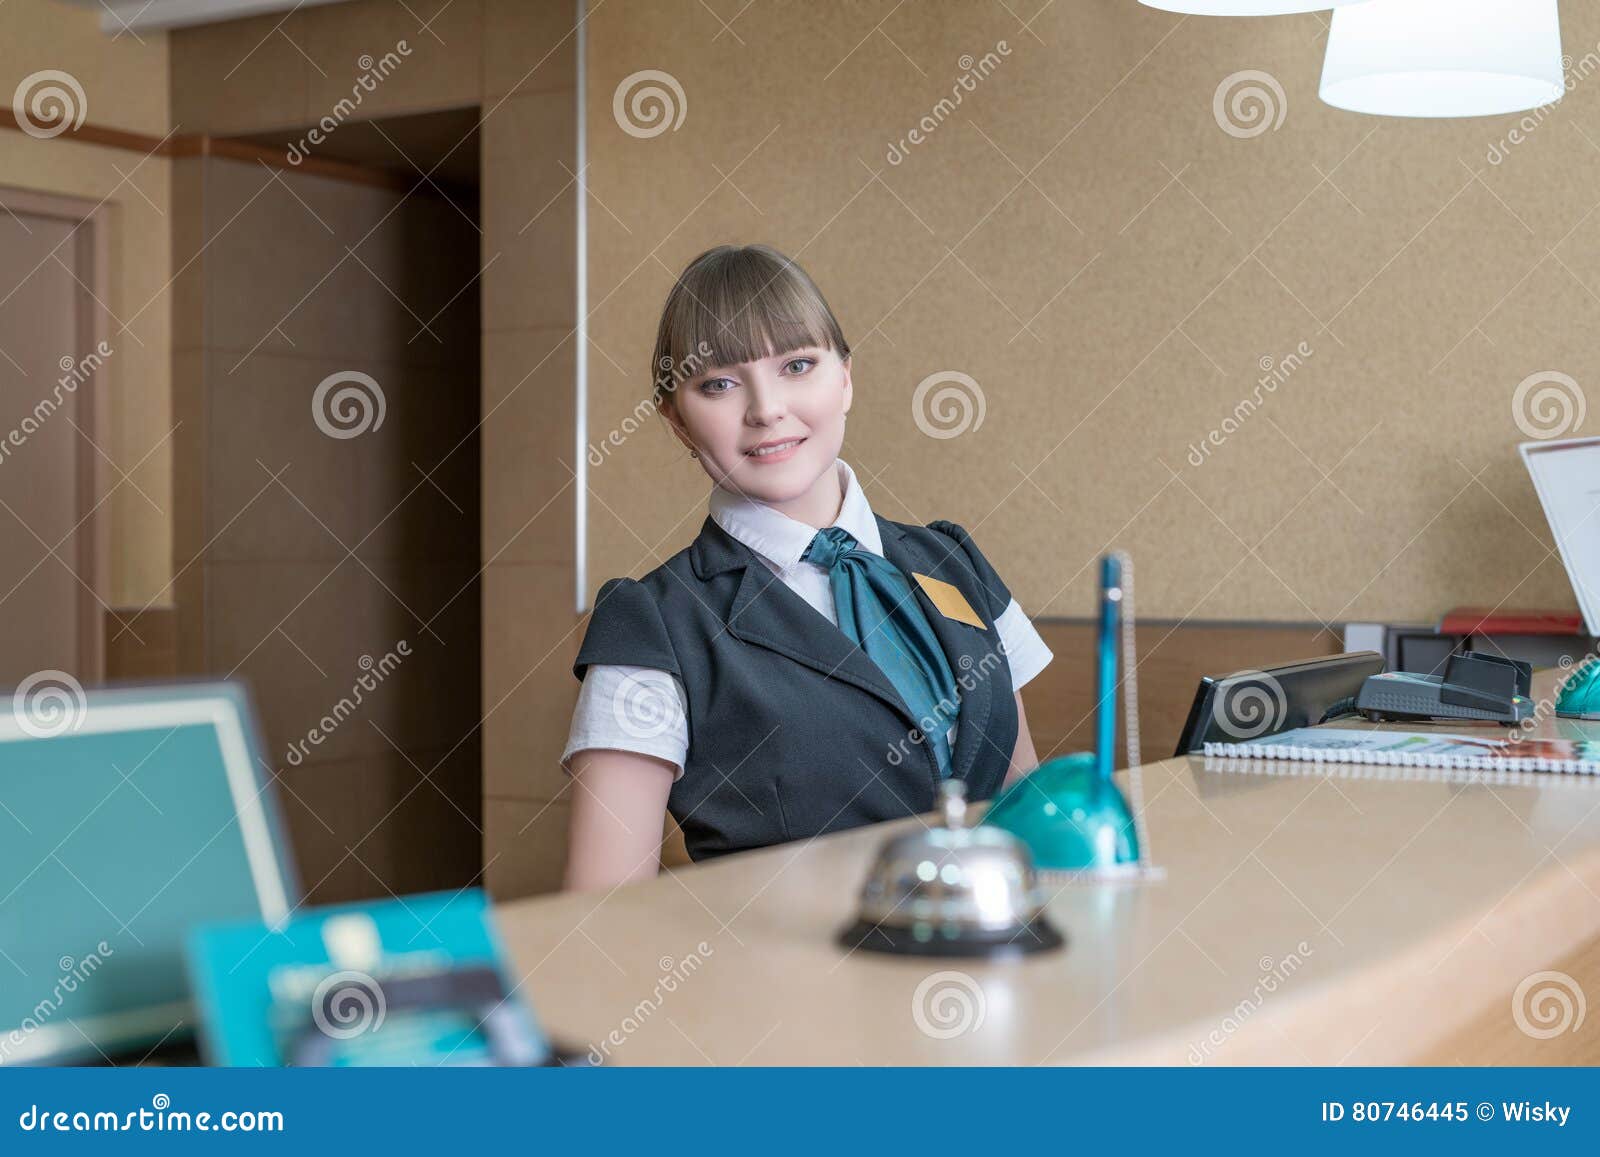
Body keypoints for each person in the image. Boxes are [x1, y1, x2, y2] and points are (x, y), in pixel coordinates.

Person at [561, 243, 1053, 891]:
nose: (766, 408)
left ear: (845, 378)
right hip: (791, 986)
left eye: (797, 364)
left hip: (994, 966)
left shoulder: (953, 561)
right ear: (677, 419)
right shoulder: (651, 624)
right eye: (719, 383)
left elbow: (1025, 810)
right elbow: (604, 912)